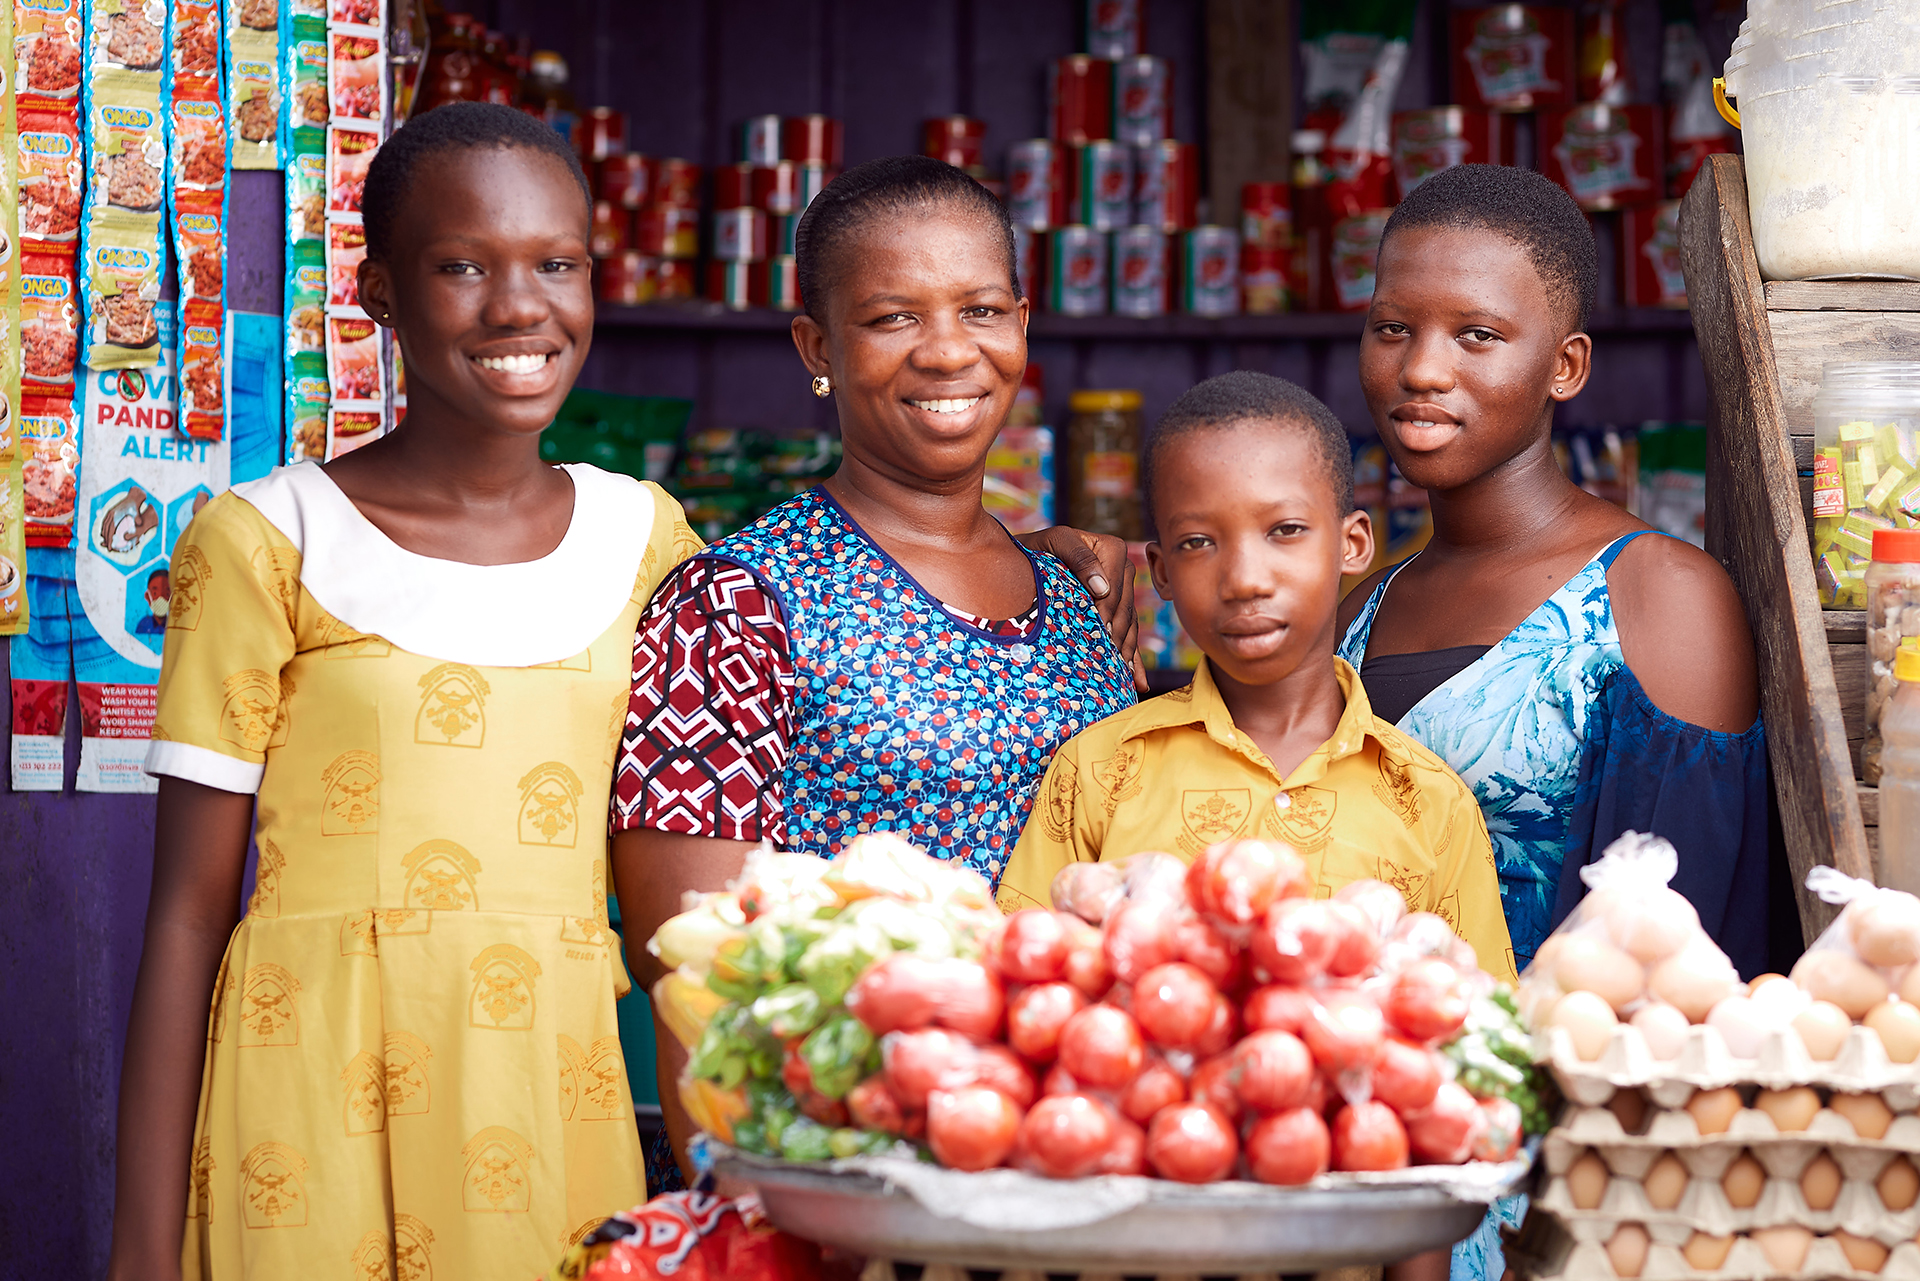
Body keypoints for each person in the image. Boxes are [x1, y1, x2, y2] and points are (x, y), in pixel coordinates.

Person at [107, 103, 698, 1281]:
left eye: (557, 265)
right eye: (463, 266)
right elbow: (185, 914)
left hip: (550, 1102)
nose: (520, 307)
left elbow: (678, 888)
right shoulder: (267, 539)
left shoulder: (649, 538)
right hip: (305, 1104)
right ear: (379, 292)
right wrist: (139, 1246)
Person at [611, 156, 1141, 1185]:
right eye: (893, 318)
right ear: (820, 346)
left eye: (982, 308)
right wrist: (738, 1219)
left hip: (1075, 1161)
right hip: (850, 1170)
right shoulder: (738, 603)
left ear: (1023, 326)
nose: (949, 352)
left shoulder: (1075, 601)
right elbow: (691, 973)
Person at [1335, 165, 1766, 1281]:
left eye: (1477, 335)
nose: (1421, 369)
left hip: (1549, 1209)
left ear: (1563, 365)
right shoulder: (1354, 608)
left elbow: (1677, 962)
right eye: (1394, 328)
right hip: (1339, 1176)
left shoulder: (1654, 597)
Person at [1000, 371, 1516, 983]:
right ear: (1159, 572)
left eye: (1285, 531)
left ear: (1352, 544)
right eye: (1198, 542)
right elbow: (1027, 985)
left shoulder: (1430, 801)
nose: (1245, 577)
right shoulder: (1099, 772)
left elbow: (1477, 1028)